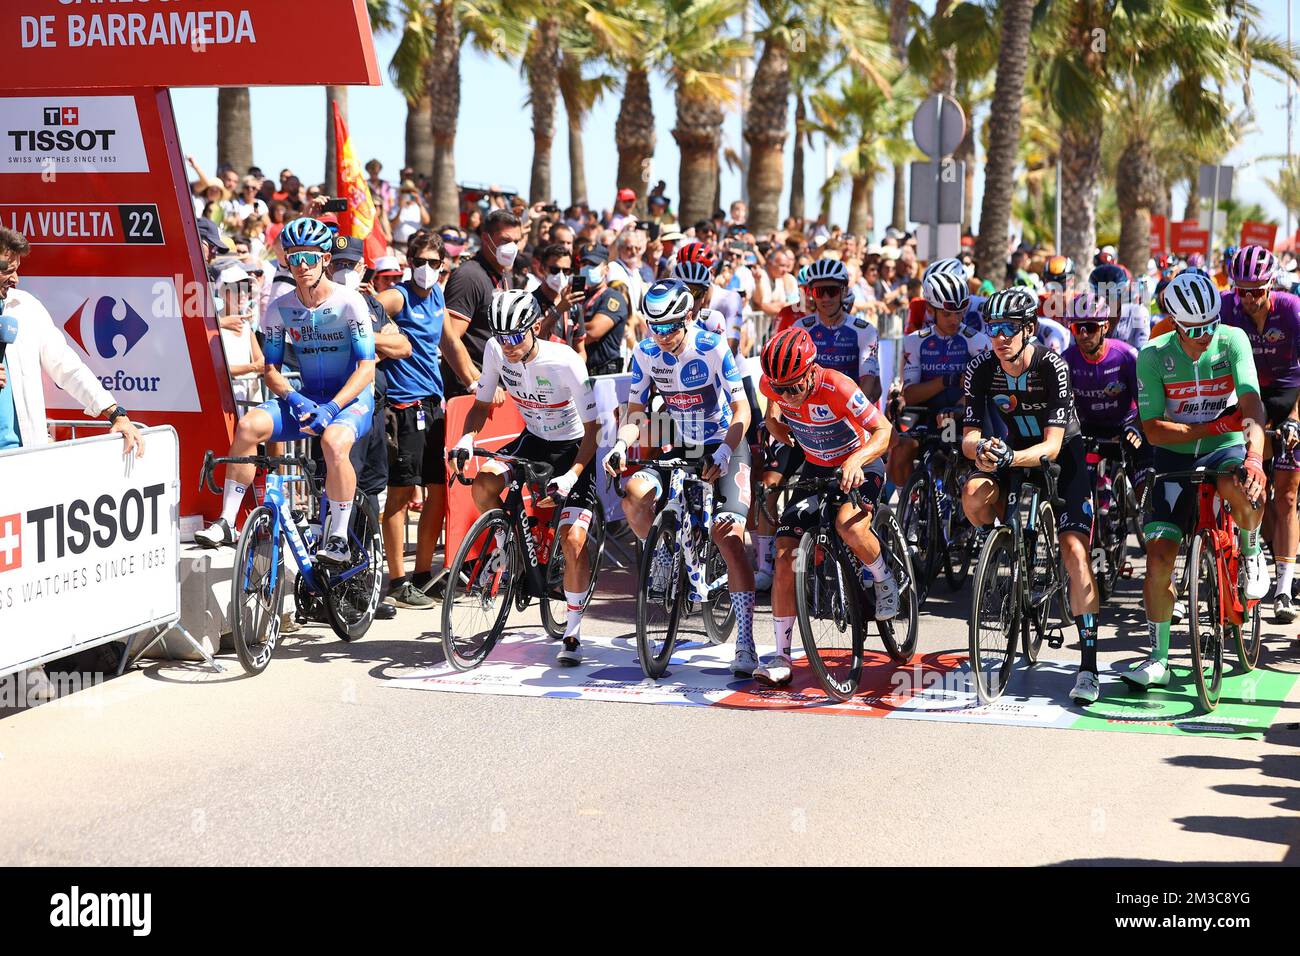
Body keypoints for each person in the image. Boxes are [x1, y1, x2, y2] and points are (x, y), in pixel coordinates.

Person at [196, 218, 376, 567]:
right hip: (307, 396)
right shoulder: (280, 308)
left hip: (351, 399)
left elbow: (367, 369)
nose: (303, 266)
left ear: (325, 259)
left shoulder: (350, 302)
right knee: (248, 427)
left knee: (334, 443)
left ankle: (338, 537)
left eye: (310, 257)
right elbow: (271, 370)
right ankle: (227, 522)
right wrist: (296, 400)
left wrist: (331, 408)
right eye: (294, 258)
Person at [602, 279, 757, 675]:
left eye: (671, 325)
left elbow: (743, 411)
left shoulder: (712, 347)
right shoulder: (646, 352)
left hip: (725, 440)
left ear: (688, 316)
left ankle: (746, 642)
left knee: (728, 536)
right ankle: (665, 552)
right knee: (635, 494)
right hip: (682, 442)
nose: (663, 335)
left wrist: (724, 451)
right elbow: (636, 413)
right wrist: (621, 445)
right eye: (655, 326)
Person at [960, 287, 1104, 705]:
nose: (999, 337)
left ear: (1028, 329)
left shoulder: (1051, 366)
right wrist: (981, 451)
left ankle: (1089, 665)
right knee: (972, 494)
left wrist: (1008, 456)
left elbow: (1053, 447)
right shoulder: (981, 368)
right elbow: (968, 435)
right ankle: (1006, 547)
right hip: (1012, 456)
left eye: (1008, 329)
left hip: (1060, 460)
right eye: (992, 329)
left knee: (1074, 552)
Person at [1131, 270, 1269, 688]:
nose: (1206, 335)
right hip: (1173, 454)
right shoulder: (1153, 355)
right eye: (1195, 329)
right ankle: (1157, 658)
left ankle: (1249, 549)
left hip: (1226, 446)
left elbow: (1250, 401)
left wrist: (1256, 457)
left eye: (1211, 324)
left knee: (1242, 484)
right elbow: (1153, 429)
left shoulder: (1232, 340)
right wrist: (1207, 428)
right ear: (1173, 322)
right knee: (1157, 560)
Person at [448, 290, 601, 666]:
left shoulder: (564, 361)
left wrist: (571, 476)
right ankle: (509, 545)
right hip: (533, 439)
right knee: (484, 481)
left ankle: (573, 630)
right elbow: (482, 405)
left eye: (515, 337)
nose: (508, 346)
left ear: (534, 327)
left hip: (574, 446)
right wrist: (467, 437)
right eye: (500, 337)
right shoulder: (497, 351)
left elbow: (595, 429)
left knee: (573, 538)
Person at [753, 327, 895, 686]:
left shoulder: (837, 386)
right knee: (786, 554)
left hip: (859, 461)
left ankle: (883, 577)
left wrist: (856, 461)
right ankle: (781, 656)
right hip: (817, 464)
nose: (787, 394)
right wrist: (789, 440)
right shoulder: (774, 385)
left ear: (811, 370)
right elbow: (772, 418)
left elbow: (884, 431)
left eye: (793, 387)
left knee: (849, 526)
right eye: (779, 387)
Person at [0, 227, 144, 454]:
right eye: (8, 270)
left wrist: (115, 413)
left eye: (17, 269)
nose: (16, 279)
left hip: (22, 459)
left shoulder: (27, 308)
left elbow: (67, 367)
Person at [1218, 244, 1300, 621]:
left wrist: (1296, 419)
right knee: (1254, 487)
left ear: (1272, 286)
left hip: (1289, 395)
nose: (1249, 299)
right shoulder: (1227, 307)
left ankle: (1283, 588)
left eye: (1257, 291)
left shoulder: (1292, 310)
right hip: (1249, 397)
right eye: (1242, 290)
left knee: (1285, 495)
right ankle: (1258, 557)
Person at [369, 229, 449, 608]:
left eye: (434, 263)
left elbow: (447, 342)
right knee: (401, 494)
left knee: (438, 489)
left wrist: (474, 382)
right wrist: (384, 346)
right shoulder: (397, 296)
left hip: (434, 403)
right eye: (420, 262)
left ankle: (421, 574)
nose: (426, 269)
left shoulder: (437, 295)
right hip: (403, 405)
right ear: (409, 263)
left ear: (442, 265)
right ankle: (397, 580)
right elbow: (362, 318)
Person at [888, 270, 992, 489]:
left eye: (960, 312)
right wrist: (947, 381)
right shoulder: (914, 342)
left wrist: (959, 407)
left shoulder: (979, 341)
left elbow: (983, 390)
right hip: (927, 416)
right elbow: (912, 395)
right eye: (947, 314)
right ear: (930, 310)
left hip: (963, 414)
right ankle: (911, 505)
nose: (955, 320)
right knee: (900, 450)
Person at [440, 209, 522, 400]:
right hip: (472, 392)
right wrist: (477, 382)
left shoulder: (504, 274)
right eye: (505, 240)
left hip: (500, 390)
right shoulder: (468, 277)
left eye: (516, 242)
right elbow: (449, 339)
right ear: (486, 238)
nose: (512, 247)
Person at [576, 245, 630, 376]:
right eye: (584, 263)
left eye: (593, 264)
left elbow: (592, 332)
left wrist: (568, 329)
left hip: (604, 373)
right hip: (581, 371)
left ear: (606, 269)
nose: (587, 268)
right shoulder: (579, 295)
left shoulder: (613, 297)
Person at [530, 243, 586, 360]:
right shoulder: (530, 302)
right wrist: (559, 309)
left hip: (566, 372)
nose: (560, 275)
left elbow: (580, 350)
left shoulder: (574, 305)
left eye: (565, 271)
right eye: (555, 270)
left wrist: (576, 369)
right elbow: (534, 339)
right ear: (543, 269)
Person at [1089, 263, 1149, 351]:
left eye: (1111, 296)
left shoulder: (1138, 312)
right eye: (1099, 296)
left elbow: (1142, 352)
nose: (1106, 301)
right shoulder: (1089, 315)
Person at [390, 180, 431, 251]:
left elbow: (426, 221)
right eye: (405, 192)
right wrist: (400, 208)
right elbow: (391, 226)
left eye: (410, 191)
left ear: (415, 193)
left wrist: (419, 203)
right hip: (398, 245)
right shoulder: (396, 207)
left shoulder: (419, 207)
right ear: (401, 194)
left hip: (415, 245)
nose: (408, 194)